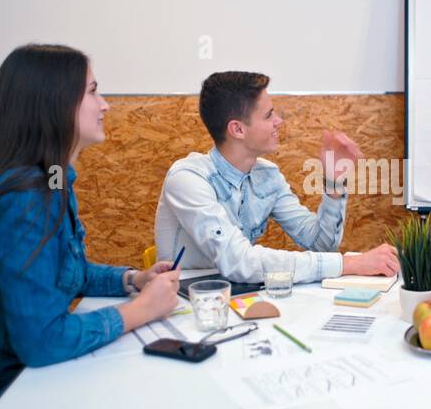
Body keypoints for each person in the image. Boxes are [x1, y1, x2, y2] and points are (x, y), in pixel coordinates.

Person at [0, 44, 180, 409]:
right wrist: (140, 310)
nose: (105, 105)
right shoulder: (24, 197)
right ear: (52, 103)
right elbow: (41, 341)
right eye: (93, 91)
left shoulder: (52, 179)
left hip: (33, 390)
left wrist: (133, 279)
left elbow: (70, 271)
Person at [155, 71, 398, 282]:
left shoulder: (267, 175)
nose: (278, 121)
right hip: (188, 307)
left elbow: (320, 245)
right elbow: (240, 262)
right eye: (269, 115)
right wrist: (349, 264)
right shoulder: (187, 179)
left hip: (240, 300)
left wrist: (334, 183)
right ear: (237, 129)